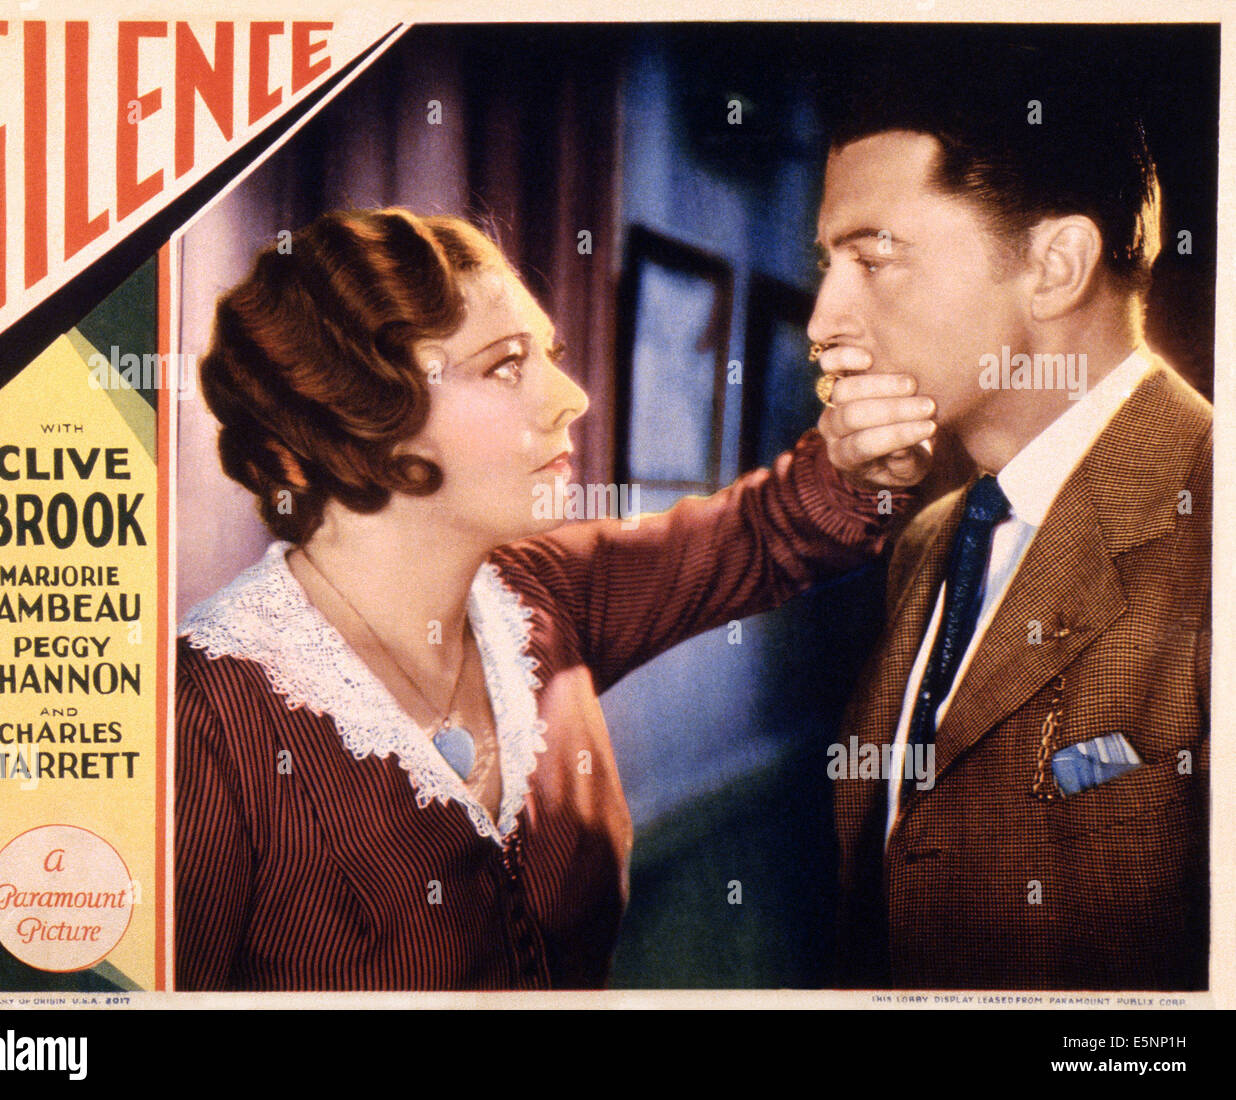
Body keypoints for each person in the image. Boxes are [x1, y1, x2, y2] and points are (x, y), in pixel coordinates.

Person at [174, 207, 935, 991]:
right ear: (361, 414)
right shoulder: (203, 719)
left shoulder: (544, 594)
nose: (571, 397)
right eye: (506, 365)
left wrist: (863, 461)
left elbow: (765, 532)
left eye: (549, 357)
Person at [814, 46, 1210, 990]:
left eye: (874, 259)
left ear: (1054, 267)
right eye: (827, 264)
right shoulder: (926, 539)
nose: (822, 320)